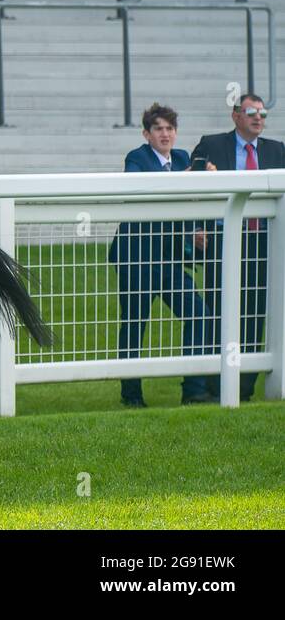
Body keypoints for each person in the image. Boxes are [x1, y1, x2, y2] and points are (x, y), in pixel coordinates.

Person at [107, 103, 215, 406]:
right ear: (147, 133)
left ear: (176, 133)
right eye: (158, 129)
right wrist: (185, 177)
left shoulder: (183, 158)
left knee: (198, 314)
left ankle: (193, 391)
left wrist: (209, 177)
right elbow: (140, 190)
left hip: (169, 259)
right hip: (136, 257)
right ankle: (132, 396)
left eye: (170, 129)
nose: (165, 134)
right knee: (135, 323)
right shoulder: (137, 157)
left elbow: (189, 202)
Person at [191, 92, 284, 401]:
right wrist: (197, 226)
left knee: (255, 311)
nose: (258, 118)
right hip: (222, 240)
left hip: (262, 242)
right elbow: (191, 187)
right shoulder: (212, 144)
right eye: (251, 112)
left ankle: (245, 388)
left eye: (262, 114)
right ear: (235, 116)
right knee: (218, 310)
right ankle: (212, 384)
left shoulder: (277, 150)